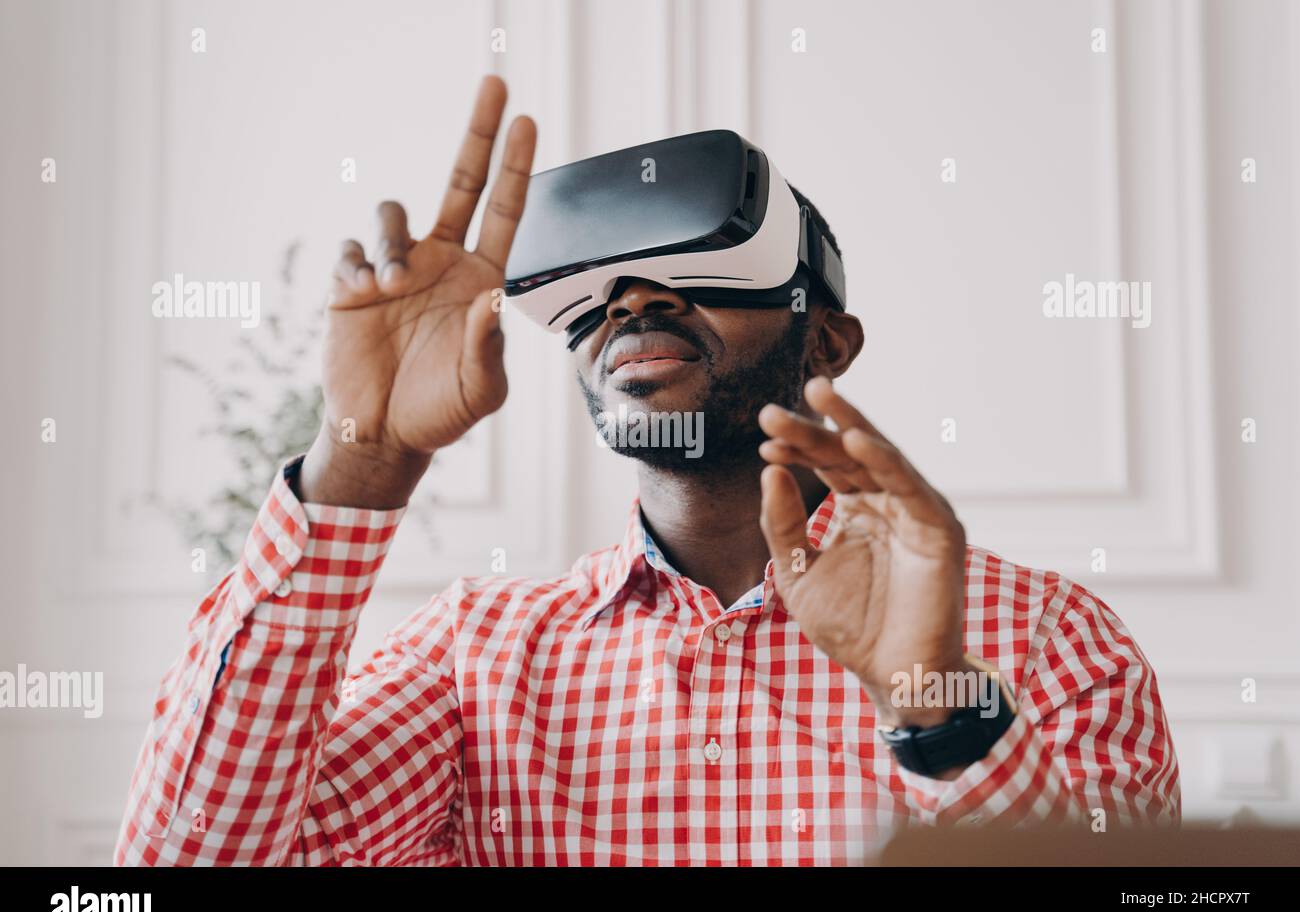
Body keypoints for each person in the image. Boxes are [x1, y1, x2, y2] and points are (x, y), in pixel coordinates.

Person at [116, 76, 1179, 866]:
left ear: (829, 341)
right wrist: (363, 459)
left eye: (694, 271)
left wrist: (934, 702)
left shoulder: (1048, 637)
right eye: (597, 295)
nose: (632, 303)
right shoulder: (478, 656)